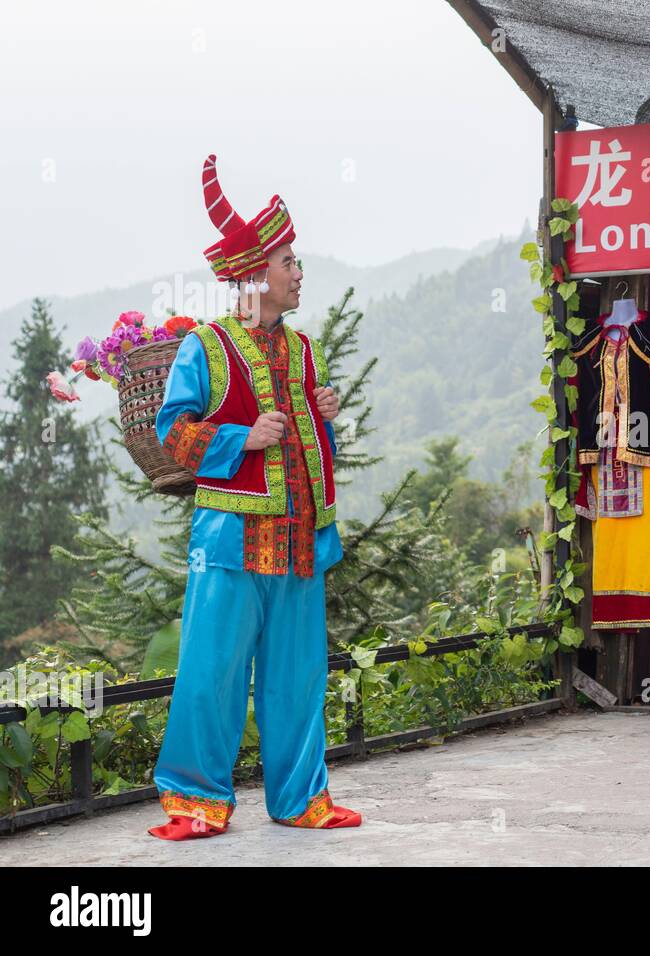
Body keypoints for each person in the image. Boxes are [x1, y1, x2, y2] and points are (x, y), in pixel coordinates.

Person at [147, 155, 362, 839]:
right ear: (253, 275)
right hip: (231, 541)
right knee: (210, 670)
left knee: (297, 678)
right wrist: (241, 438)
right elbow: (171, 434)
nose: (299, 273)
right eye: (288, 262)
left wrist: (323, 411)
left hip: (300, 537)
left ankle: (302, 799)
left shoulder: (306, 352)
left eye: (296, 262)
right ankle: (195, 800)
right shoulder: (204, 349)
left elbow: (313, 443)